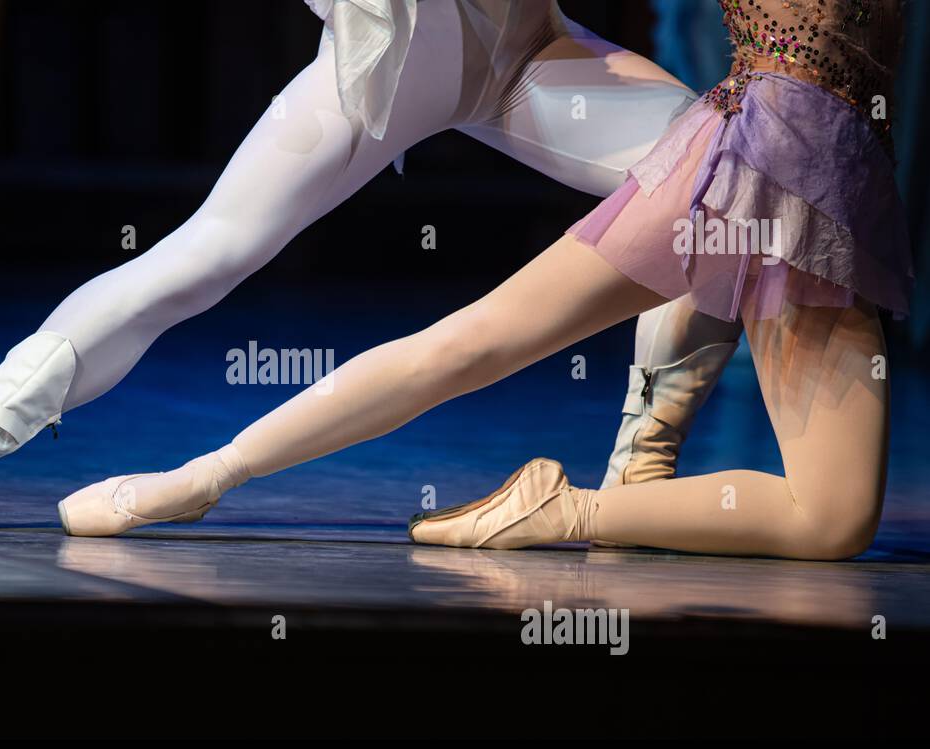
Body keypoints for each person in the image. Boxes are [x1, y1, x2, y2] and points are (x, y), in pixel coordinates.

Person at [57, 0, 912, 562]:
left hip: (824, 169)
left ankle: (581, 504)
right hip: (766, 160)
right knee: (470, 344)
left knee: (832, 517)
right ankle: (200, 479)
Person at [0, 0, 735, 531]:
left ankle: (637, 478)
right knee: (204, 256)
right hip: (385, 67)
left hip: (529, 56)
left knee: (724, 176)